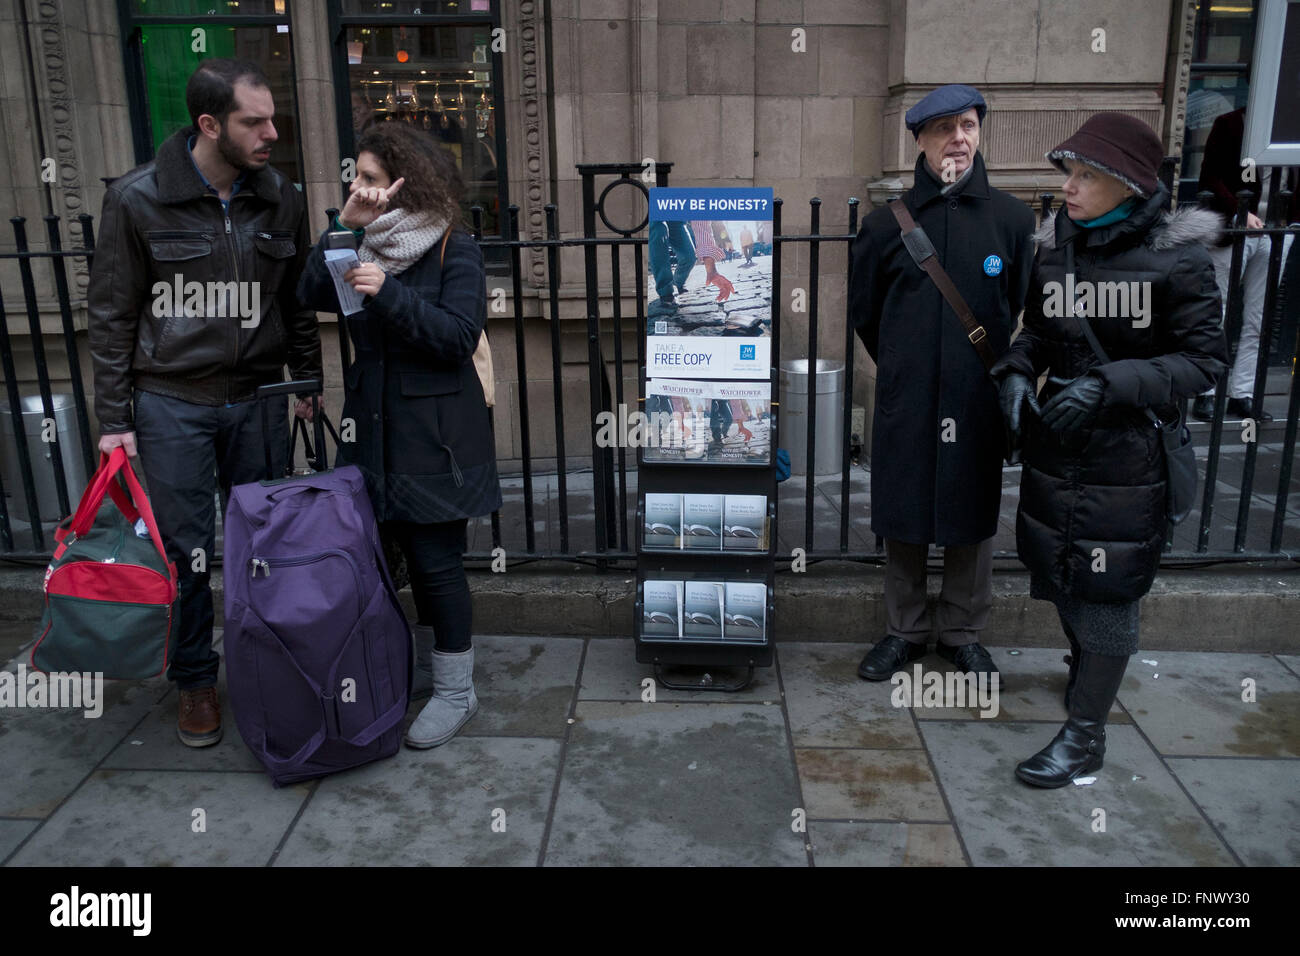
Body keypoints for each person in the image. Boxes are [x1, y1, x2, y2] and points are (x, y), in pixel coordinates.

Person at [87, 59, 321, 748]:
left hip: (259, 397)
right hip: (171, 403)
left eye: (273, 117)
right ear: (209, 124)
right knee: (188, 552)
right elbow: (112, 315)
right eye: (255, 121)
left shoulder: (281, 196)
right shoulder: (137, 199)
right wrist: (114, 422)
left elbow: (296, 300)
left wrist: (307, 381)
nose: (272, 132)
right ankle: (194, 681)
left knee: (266, 544)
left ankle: (268, 666)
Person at [992, 113, 1227, 787]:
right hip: (1058, 450)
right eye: (1070, 172)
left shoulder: (1177, 261)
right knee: (1063, 578)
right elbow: (1036, 333)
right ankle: (1085, 672)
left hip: (1128, 461)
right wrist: (1013, 372)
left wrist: (1110, 384)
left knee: (1109, 594)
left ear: (1127, 185)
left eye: (1088, 176)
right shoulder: (1058, 247)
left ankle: (1085, 737)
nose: (1070, 188)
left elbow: (1203, 362)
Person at [297, 122, 502, 750]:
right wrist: (346, 229)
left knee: (436, 565)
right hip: (370, 431)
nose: (360, 187)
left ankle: (455, 689)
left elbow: (456, 338)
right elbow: (305, 296)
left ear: (408, 186)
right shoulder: (359, 245)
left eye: (372, 180)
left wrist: (388, 295)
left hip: (433, 436)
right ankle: (393, 667)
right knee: (372, 559)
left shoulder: (453, 248)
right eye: (356, 177)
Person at [849, 84, 1034, 683]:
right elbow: (866, 315)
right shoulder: (884, 226)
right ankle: (903, 629)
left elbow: (1019, 303)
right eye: (946, 128)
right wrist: (908, 365)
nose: (960, 137)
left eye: (969, 125)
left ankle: (961, 631)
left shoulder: (1012, 219)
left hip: (976, 396)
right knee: (903, 511)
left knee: (971, 513)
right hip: (910, 397)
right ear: (920, 142)